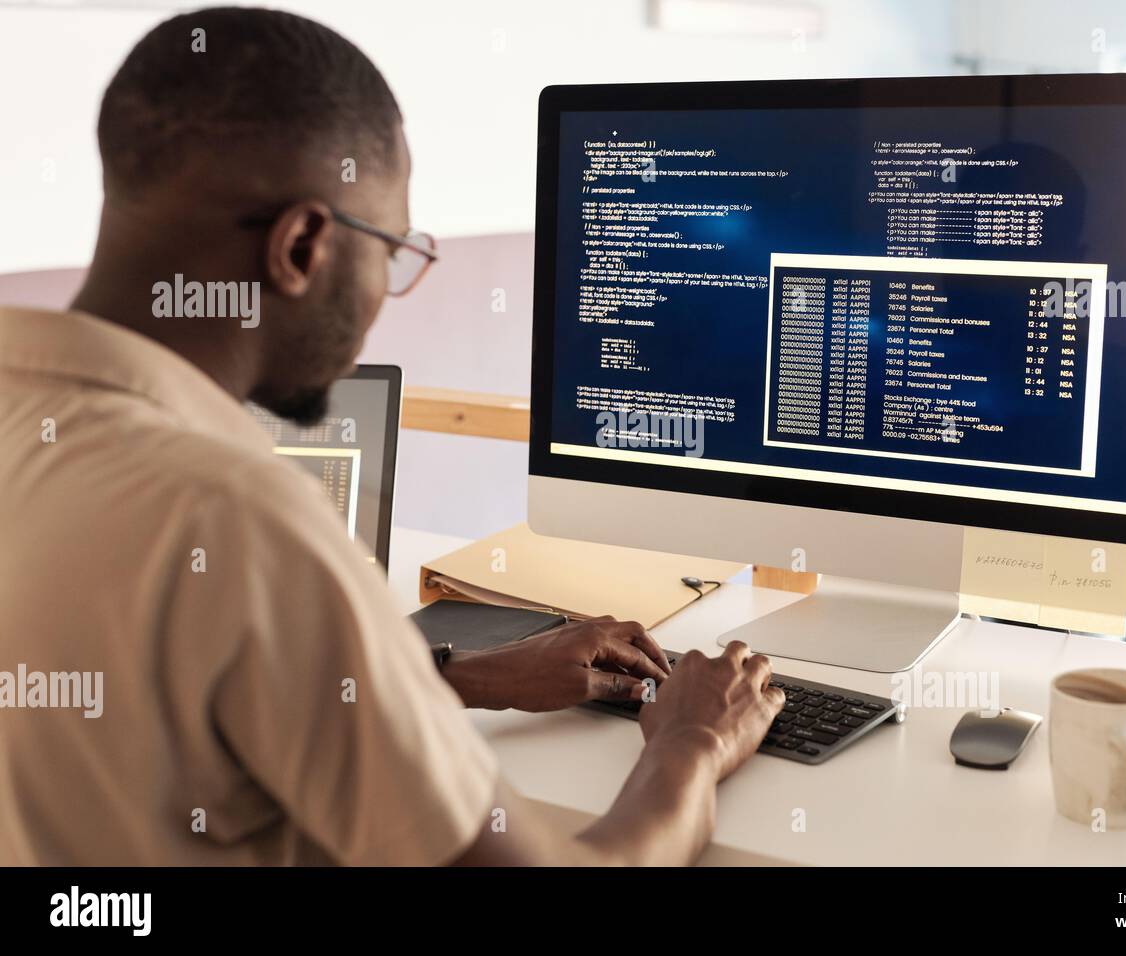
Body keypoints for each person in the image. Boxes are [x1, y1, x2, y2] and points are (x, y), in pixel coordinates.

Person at [0, 7, 783, 865]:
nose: (388, 290)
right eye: (391, 248)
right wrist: (694, 742)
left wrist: (445, 676)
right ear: (302, 246)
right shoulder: (243, 519)